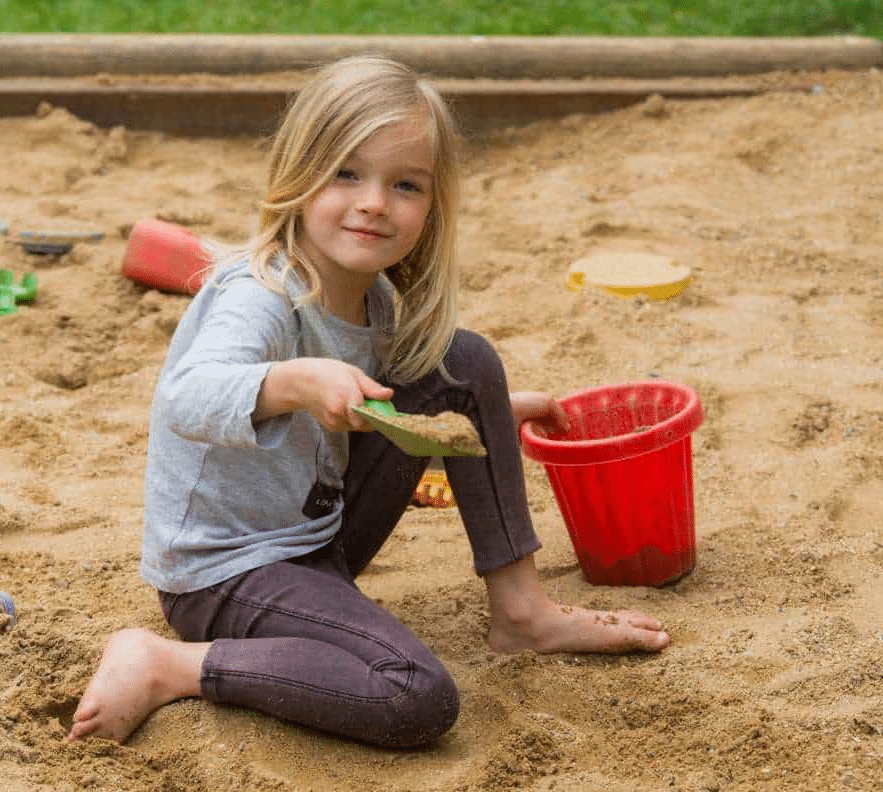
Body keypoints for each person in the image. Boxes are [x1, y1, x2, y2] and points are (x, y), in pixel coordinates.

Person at [68, 55, 669, 749]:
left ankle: (523, 611)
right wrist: (296, 380)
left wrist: (483, 415)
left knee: (466, 363)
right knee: (413, 692)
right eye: (346, 173)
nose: (374, 202)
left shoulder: (375, 297)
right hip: (225, 574)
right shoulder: (262, 296)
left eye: (404, 184)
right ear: (299, 172)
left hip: (314, 536)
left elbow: (378, 413)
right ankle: (169, 663)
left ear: (431, 205)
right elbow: (186, 396)